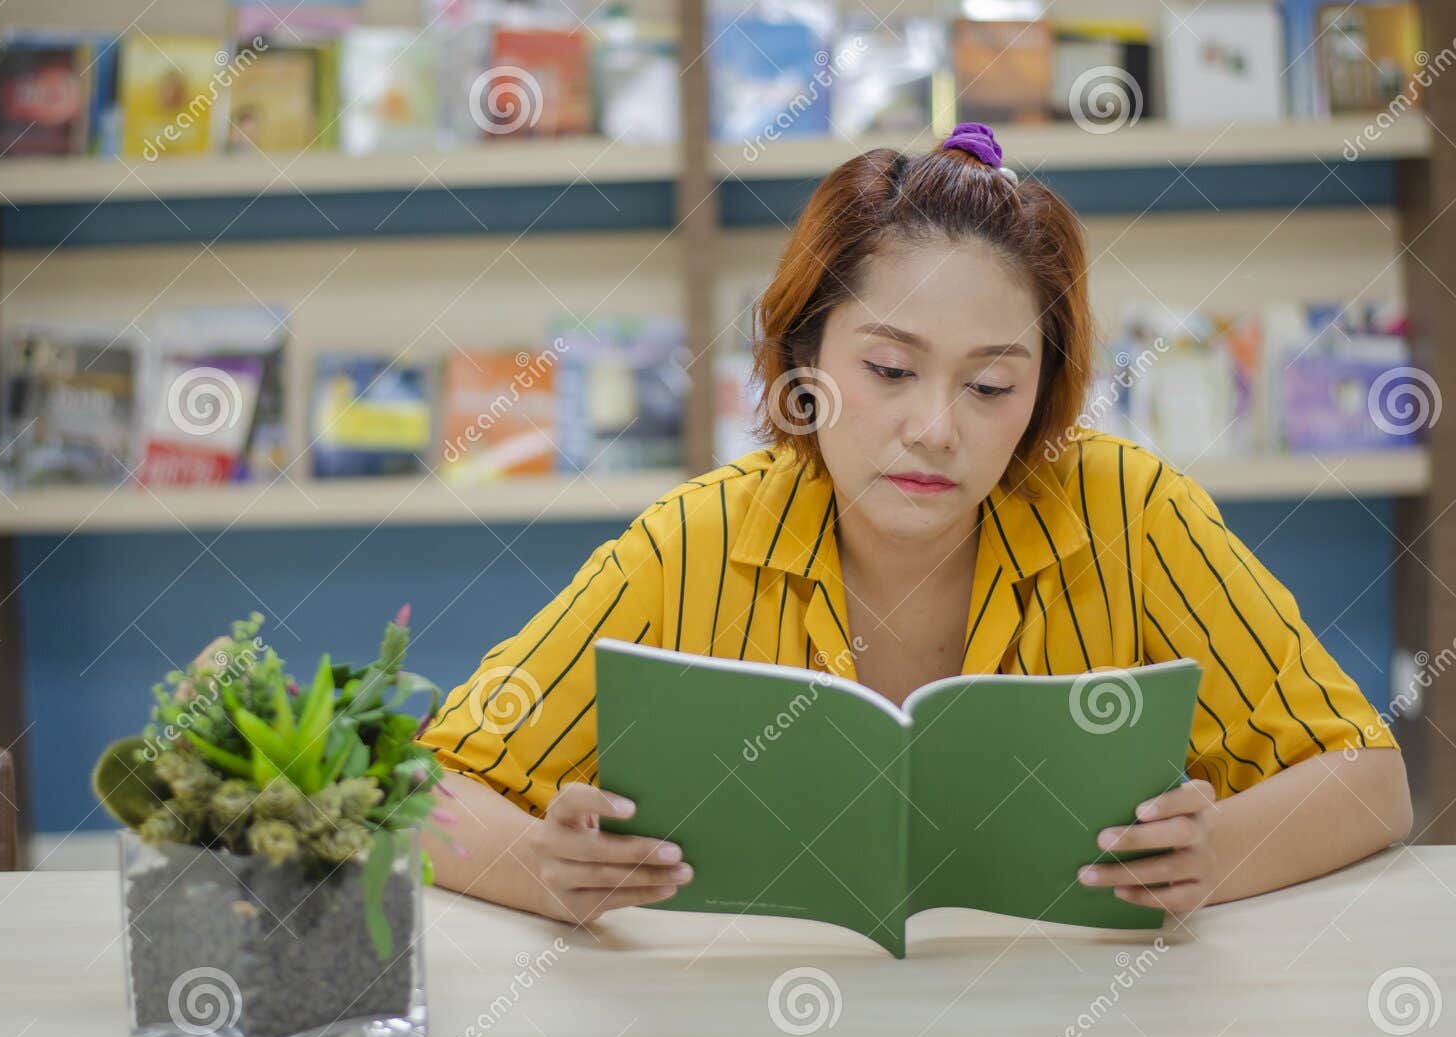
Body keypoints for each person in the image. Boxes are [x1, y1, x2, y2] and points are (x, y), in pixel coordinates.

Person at [414, 123, 1411, 930]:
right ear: (804, 358)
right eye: (888, 371)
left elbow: (1371, 781)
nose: (934, 430)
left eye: (989, 384)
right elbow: (423, 790)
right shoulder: (691, 541)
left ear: (1041, 397)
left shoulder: (1135, 512)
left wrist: (1212, 857)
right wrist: (542, 868)